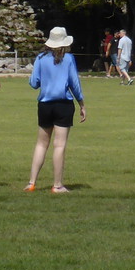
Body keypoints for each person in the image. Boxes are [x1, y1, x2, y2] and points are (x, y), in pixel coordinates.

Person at [24, 27, 86, 193]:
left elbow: (33, 82)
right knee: (59, 145)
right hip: (63, 104)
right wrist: (81, 103)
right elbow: (74, 83)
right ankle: (57, 185)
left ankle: (31, 182)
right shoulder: (69, 59)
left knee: (41, 144)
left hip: (44, 104)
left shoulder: (41, 58)